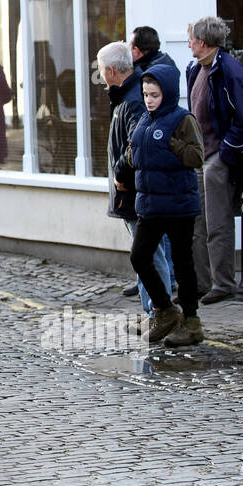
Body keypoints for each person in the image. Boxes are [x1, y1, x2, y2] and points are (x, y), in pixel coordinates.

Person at [124, 62, 205, 345]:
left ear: (167, 93)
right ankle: (165, 310)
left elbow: (196, 155)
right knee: (139, 257)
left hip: (179, 203)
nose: (149, 100)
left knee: (183, 264)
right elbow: (133, 152)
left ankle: (192, 322)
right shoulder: (145, 119)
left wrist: (172, 146)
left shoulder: (183, 119)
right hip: (149, 202)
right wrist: (133, 156)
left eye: (154, 95)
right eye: (146, 94)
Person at [184, 16, 243, 305]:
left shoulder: (230, 69)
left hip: (217, 156)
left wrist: (226, 152)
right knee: (197, 224)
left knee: (218, 223)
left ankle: (222, 282)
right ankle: (201, 281)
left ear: (203, 42)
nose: (188, 42)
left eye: (191, 38)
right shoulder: (197, 68)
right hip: (201, 156)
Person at [99, 41, 174, 315]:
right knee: (146, 254)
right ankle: (154, 312)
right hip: (134, 190)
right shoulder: (126, 96)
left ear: (110, 71)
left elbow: (137, 144)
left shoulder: (132, 99)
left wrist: (121, 173)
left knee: (150, 255)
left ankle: (159, 313)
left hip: (137, 190)